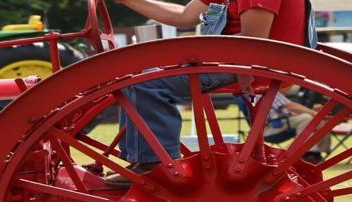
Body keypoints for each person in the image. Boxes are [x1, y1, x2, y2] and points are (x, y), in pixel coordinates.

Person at [106, 0, 310, 185]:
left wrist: (183, 53)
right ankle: (145, 161)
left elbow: (253, 40)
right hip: (235, 59)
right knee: (140, 73)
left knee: (144, 83)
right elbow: (184, 15)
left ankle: (154, 165)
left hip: (251, 63)